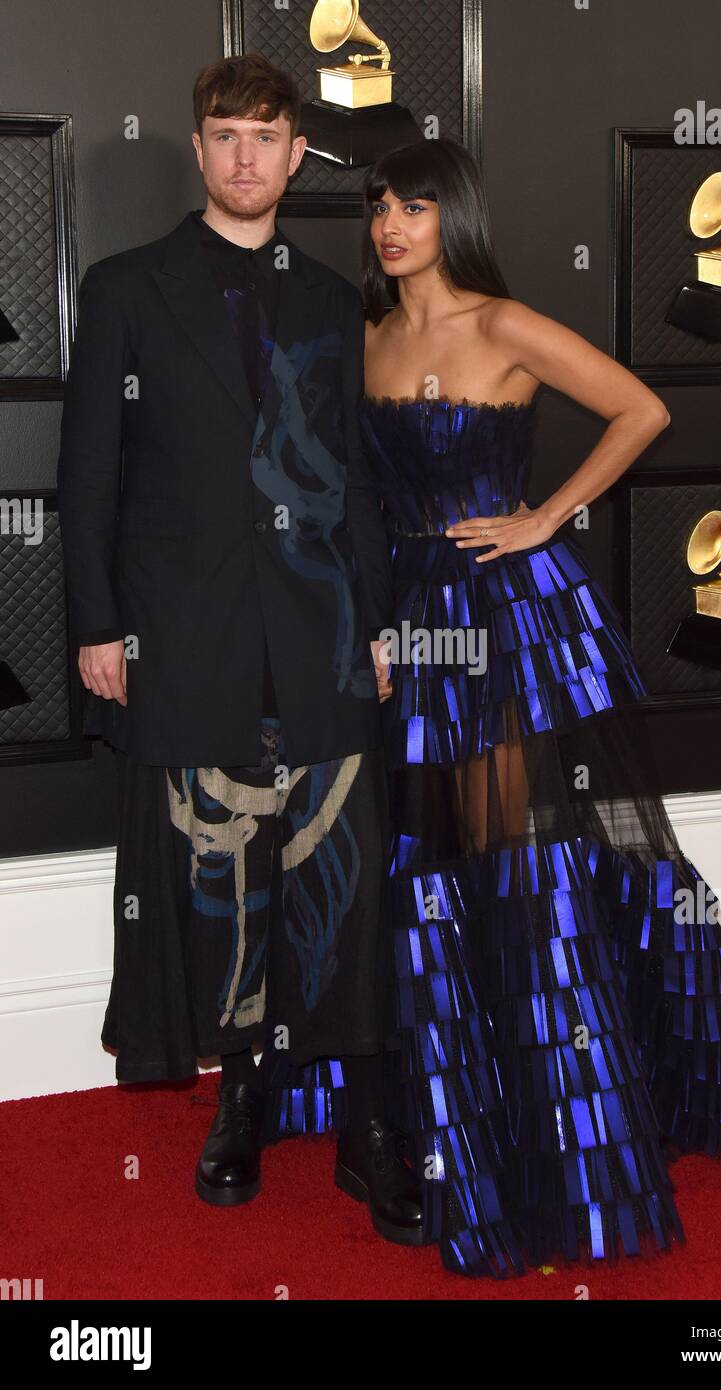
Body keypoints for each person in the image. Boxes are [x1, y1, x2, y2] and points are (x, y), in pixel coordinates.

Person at [259, 135, 721, 1279]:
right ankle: (450, 1131)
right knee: (419, 870)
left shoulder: (501, 325)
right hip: (407, 621)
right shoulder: (368, 334)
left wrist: (542, 518)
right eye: (380, 205)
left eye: (417, 206)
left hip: (505, 623)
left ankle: (552, 1151)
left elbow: (639, 410)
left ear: (455, 216)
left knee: (512, 869)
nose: (391, 225)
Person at [57, 52, 423, 1243]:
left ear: (295, 148)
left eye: (268, 136)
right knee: (220, 882)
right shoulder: (124, 288)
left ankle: (369, 1126)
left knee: (344, 873)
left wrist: (376, 624)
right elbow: (90, 476)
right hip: (189, 629)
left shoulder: (333, 301)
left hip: (318, 630)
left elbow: (360, 488)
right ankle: (245, 1095)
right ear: (200, 145)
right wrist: (96, 621)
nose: (246, 157)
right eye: (225, 135)